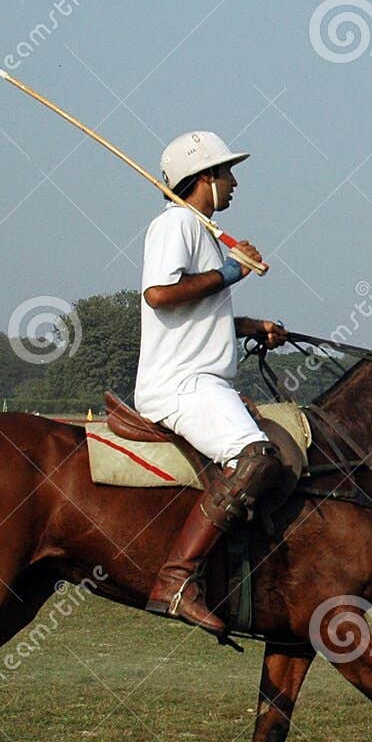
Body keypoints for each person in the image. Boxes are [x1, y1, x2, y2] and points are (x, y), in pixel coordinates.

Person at [136, 131, 292, 636]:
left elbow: (196, 314)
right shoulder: (175, 223)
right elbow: (159, 295)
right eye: (227, 173)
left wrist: (252, 326)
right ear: (204, 178)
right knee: (257, 457)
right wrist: (231, 272)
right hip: (181, 385)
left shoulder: (200, 228)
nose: (234, 181)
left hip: (207, 380)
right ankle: (176, 581)